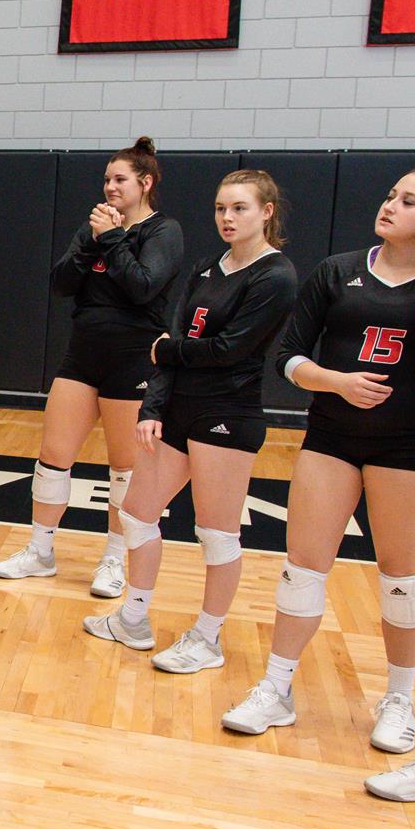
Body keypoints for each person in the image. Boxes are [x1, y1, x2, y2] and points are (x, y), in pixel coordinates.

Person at [210, 168, 415, 803]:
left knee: (401, 579)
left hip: (407, 448)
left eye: (408, 201)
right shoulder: (337, 271)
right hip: (331, 438)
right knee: (303, 567)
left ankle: (398, 700)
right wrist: (337, 383)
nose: (390, 206)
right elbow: (287, 359)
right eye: (390, 194)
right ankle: (276, 687)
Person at [83, 170, 298, 673]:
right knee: (136, 513)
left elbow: (228, 350)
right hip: (178, 410)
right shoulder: (206, 268)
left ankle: (208, 638)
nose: (227, 217)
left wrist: (172, 350)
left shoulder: (275, 275)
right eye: (222, 208)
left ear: (266, 212)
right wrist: (154, 407)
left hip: (228, 413)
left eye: (240, 208)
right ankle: (133, 619)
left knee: (216, 533)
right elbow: (171, 345)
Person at [0, 138, 183, 598]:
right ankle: (40, 551)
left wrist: (111, 240)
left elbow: (143, 286)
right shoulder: (94, 226)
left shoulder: (163, 231)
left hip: (132, 358)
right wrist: (92, 241)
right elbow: (60, 283)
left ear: (146, 183)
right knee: (53, 457)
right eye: (106, 179)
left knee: (124, 468)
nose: (110, 187)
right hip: (83, 355)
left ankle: (114, 558)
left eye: (120, 179)